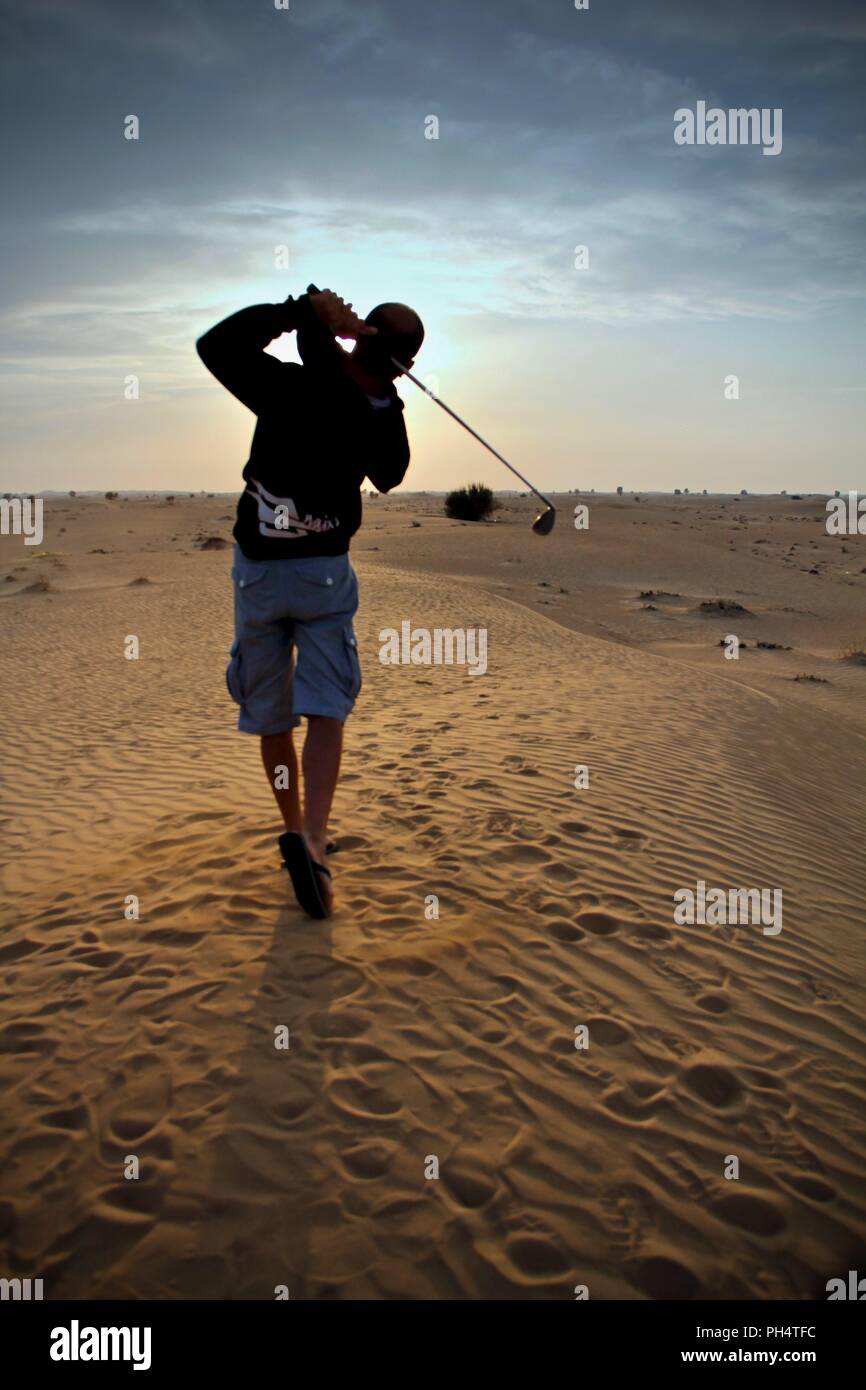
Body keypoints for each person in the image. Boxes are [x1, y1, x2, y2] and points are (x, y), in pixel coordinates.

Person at [196, 287, 425, 917]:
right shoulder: (370, 408)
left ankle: (295, 826)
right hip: (324, 577)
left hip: (260, 578)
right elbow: (392, 471)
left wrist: (301, 310)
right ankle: (317, 844)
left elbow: (214, 346)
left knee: (272, 715)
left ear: (361, 338)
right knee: (326, 708)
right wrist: (385, 388)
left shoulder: (291, 389)